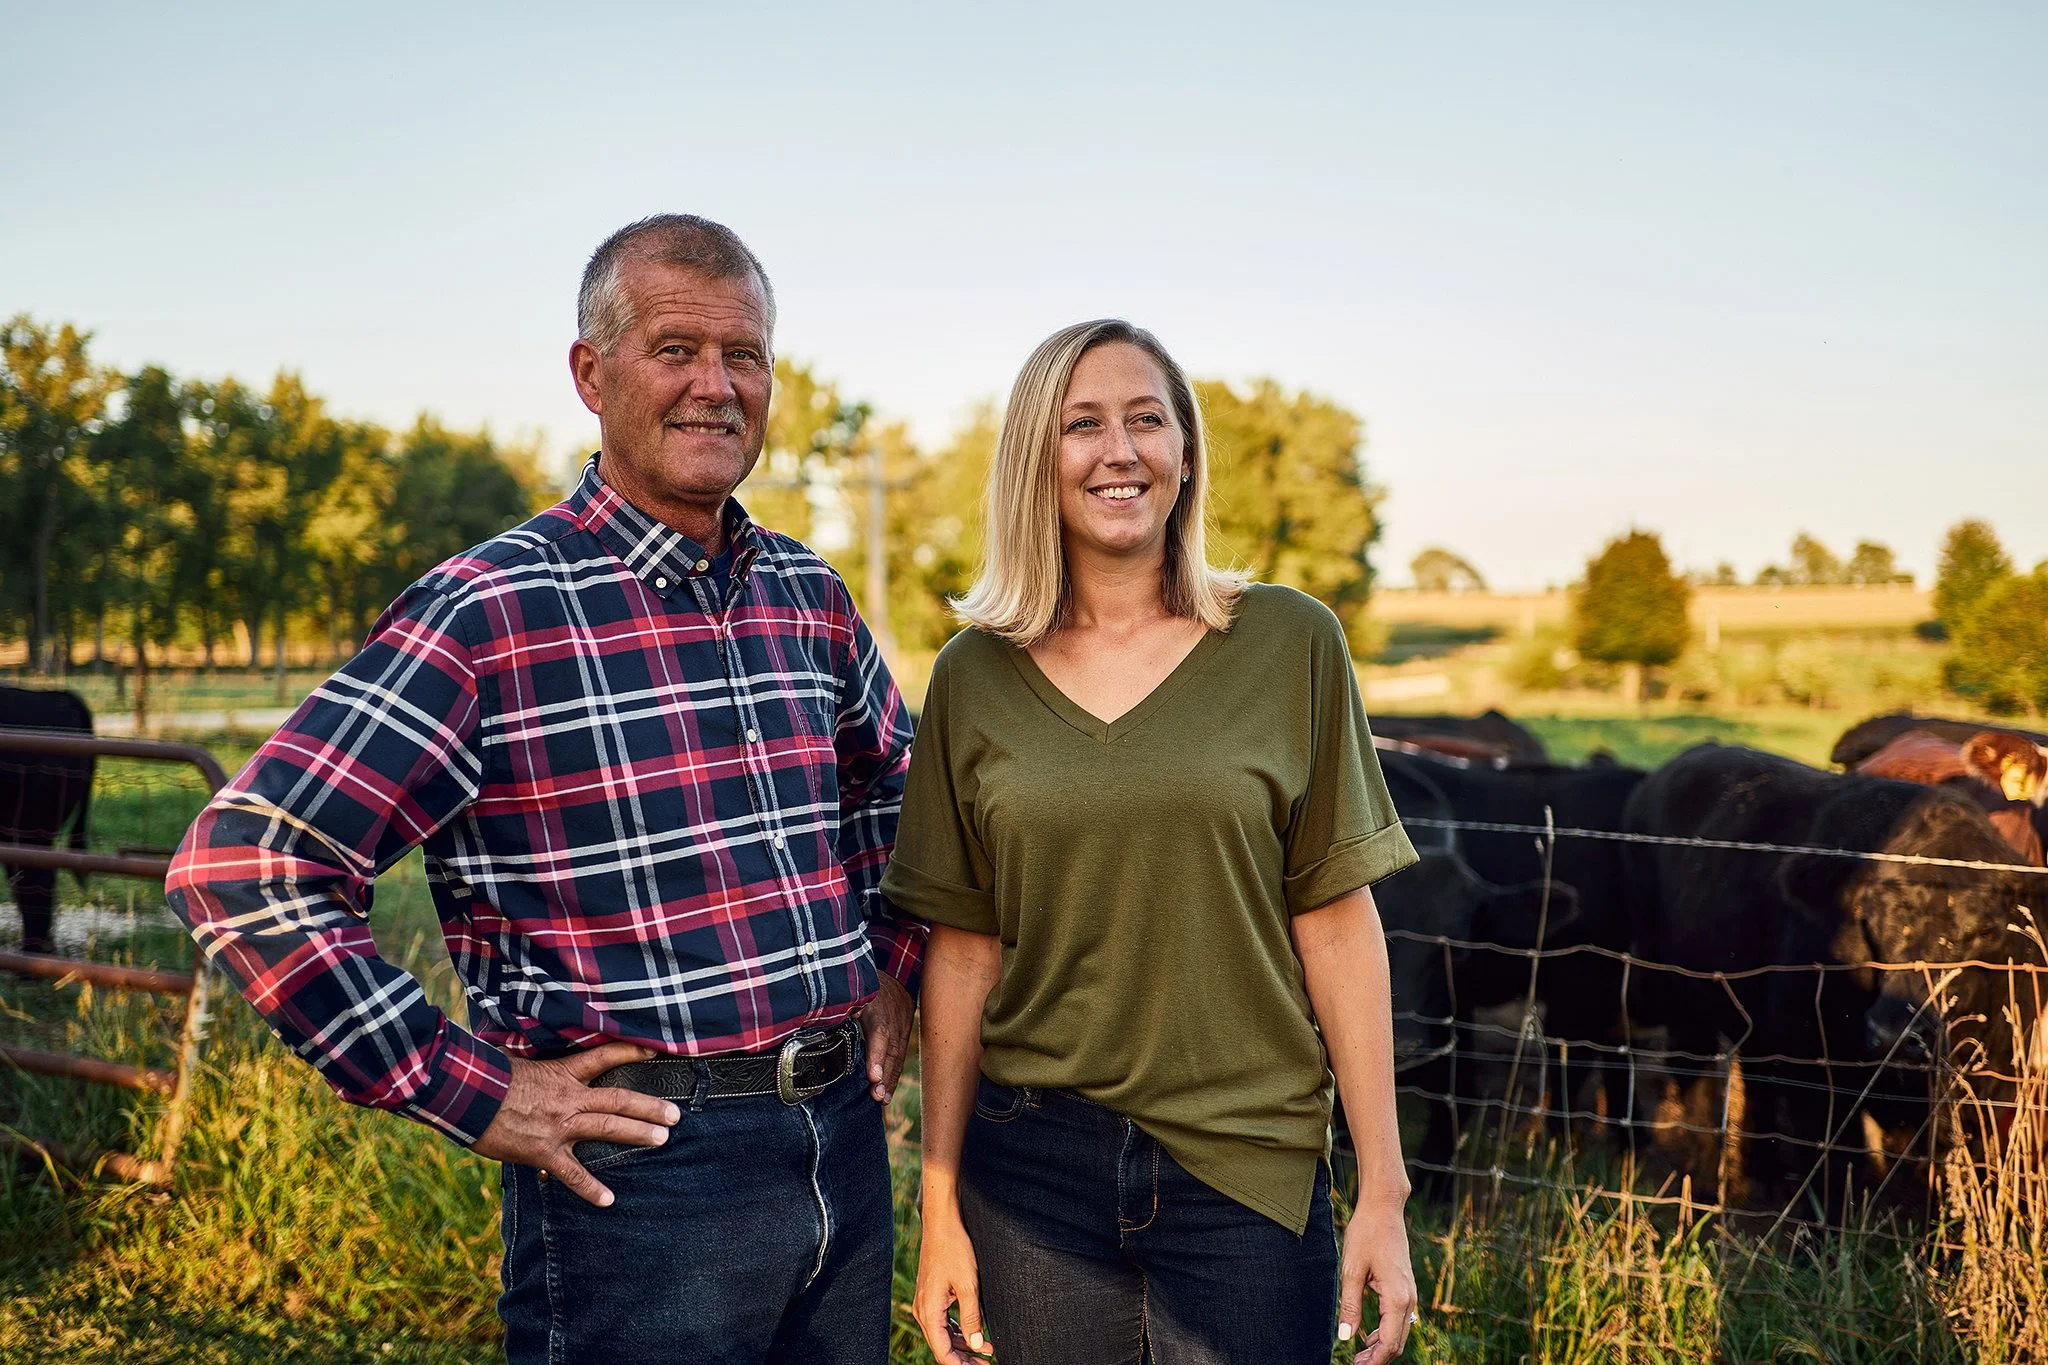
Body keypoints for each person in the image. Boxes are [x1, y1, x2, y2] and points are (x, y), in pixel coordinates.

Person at [164, 214, 922, 1365]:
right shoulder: (491, 613)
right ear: (591, 373)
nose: (716, 386)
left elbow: (892, 790)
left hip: (840, 1147)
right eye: (675, 350)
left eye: (745, 355)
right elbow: (244, 866)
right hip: (643, 1174)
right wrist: (477, 1092)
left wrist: (890, 970)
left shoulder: (805, 595)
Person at [889, 319, 1422, 1365]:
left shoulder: (1289, 642)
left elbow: (1334, 918)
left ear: (1185, 452)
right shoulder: (972, 676)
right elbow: (961, 954)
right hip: (1031, 1175)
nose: (1118, 450)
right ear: (1035, 461)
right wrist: (940, 1203)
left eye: (1146, 419)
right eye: (1080, 424)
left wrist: (1382, 1191)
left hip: (1246, 1167)